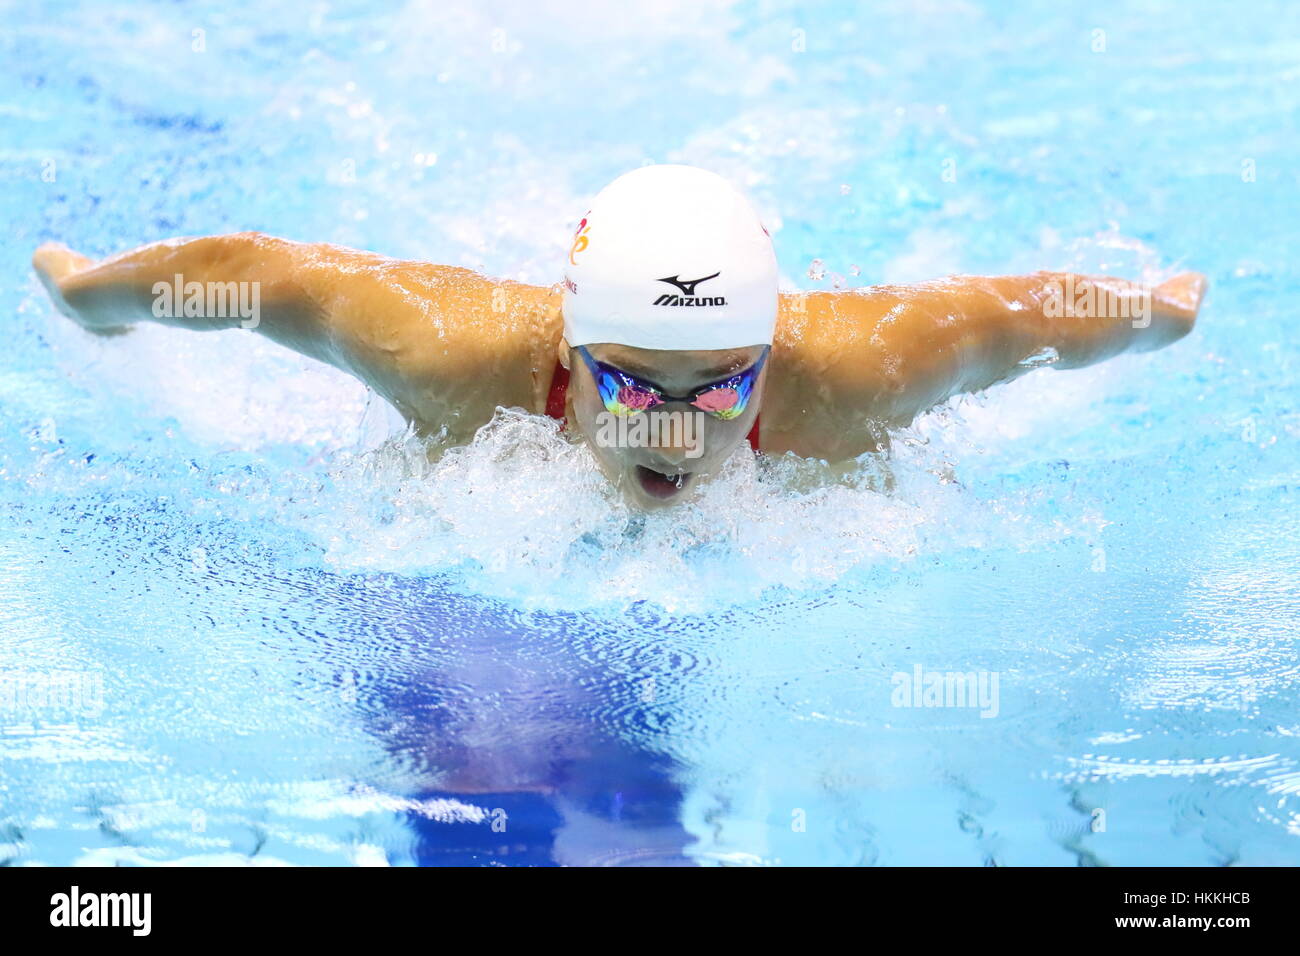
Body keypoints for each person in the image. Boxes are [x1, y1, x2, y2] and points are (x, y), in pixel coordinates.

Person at [32, 165, 1206, 509]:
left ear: (766, 358)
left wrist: (1151, 317)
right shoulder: (455, 354)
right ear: (572, 352)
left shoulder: (847, 373)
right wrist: (92, 294)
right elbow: (259, 275)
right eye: (637, 382)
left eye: (719, 385)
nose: (679, 426)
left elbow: (1005, 322)